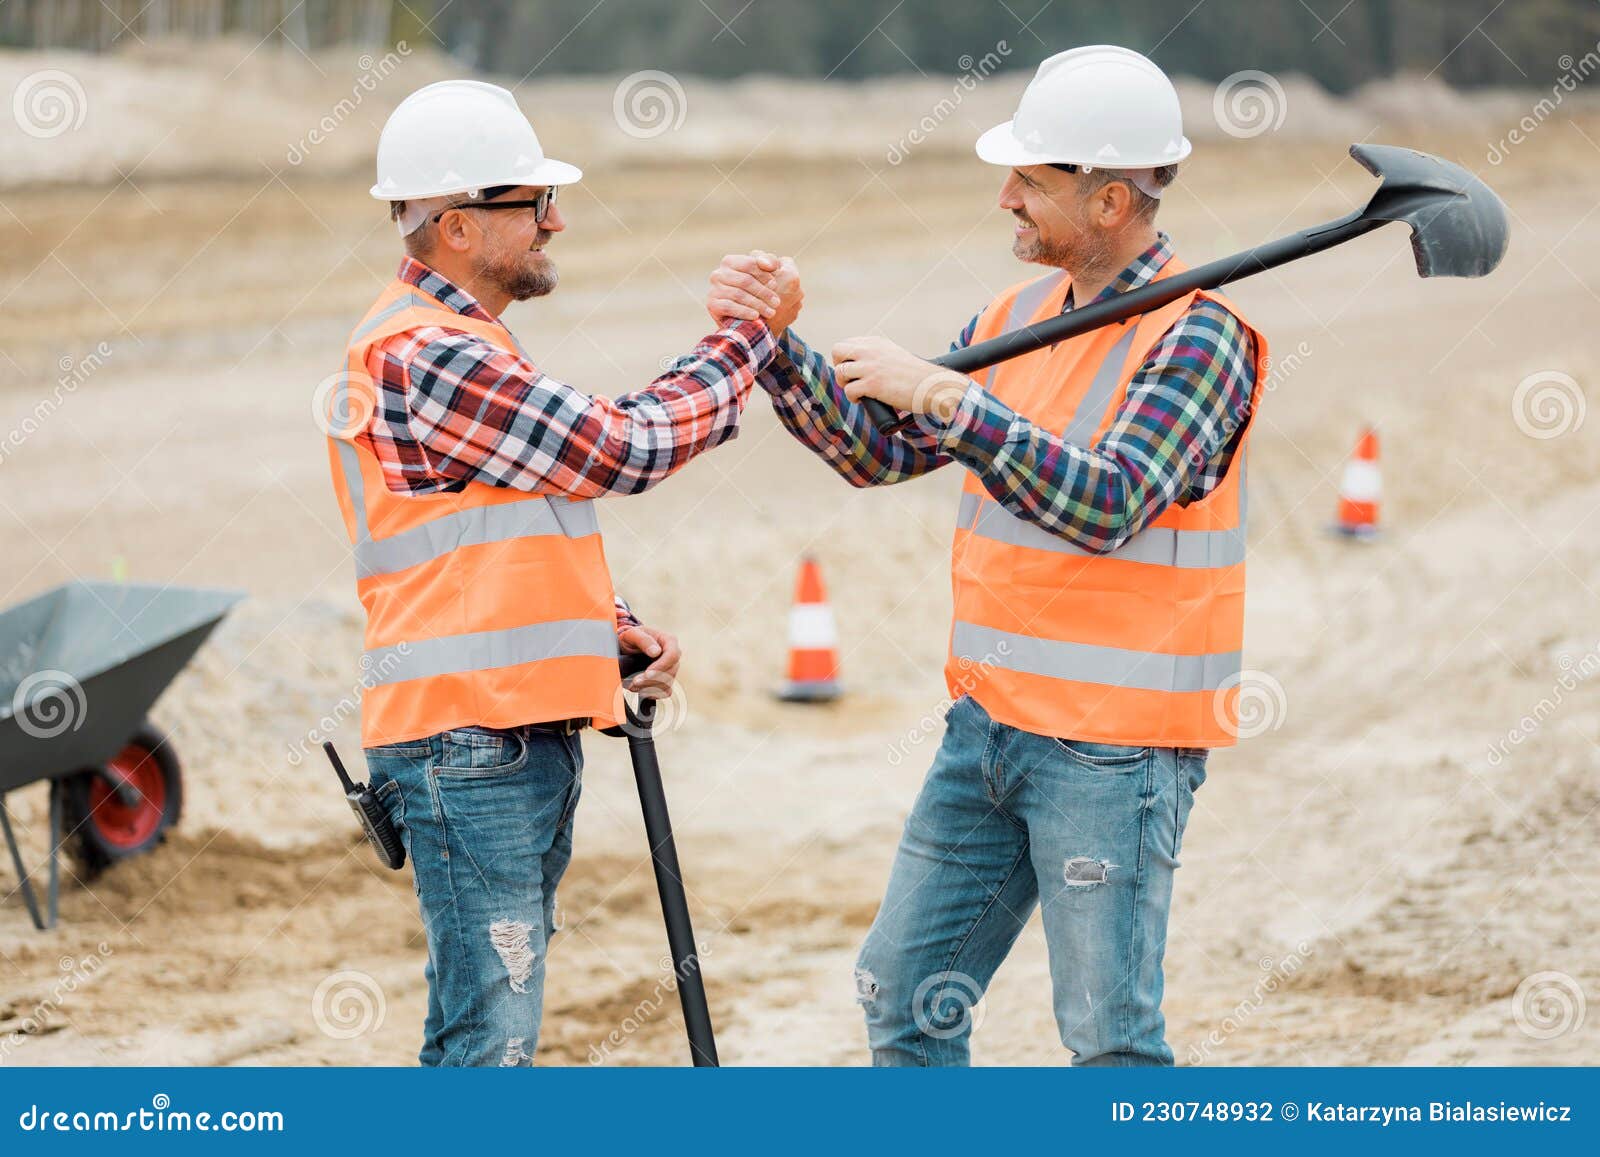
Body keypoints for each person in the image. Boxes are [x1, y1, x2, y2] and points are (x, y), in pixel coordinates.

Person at [706, 46, 1268, 1066]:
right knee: (902, 993)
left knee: (1108, 1039)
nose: (1005, 197)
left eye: (1030, 181)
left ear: (1109, 200)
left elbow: (1109, 502)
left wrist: (952, 400)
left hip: (1114, 750)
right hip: (989, 726)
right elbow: (876, 453)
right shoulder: (1016, 319)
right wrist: (780, 346)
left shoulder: (1199, 338)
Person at [324, 79, 800, 1066]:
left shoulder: (464, 341)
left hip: (500, 733)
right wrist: (747, 339)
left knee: (488, 1028)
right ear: (458, 224)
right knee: (490, 1040)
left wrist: (604, 627)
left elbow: (510, 520)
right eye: (534, 202)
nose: (556, 220)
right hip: (469, 740)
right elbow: (623, 448)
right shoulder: (424, 351)